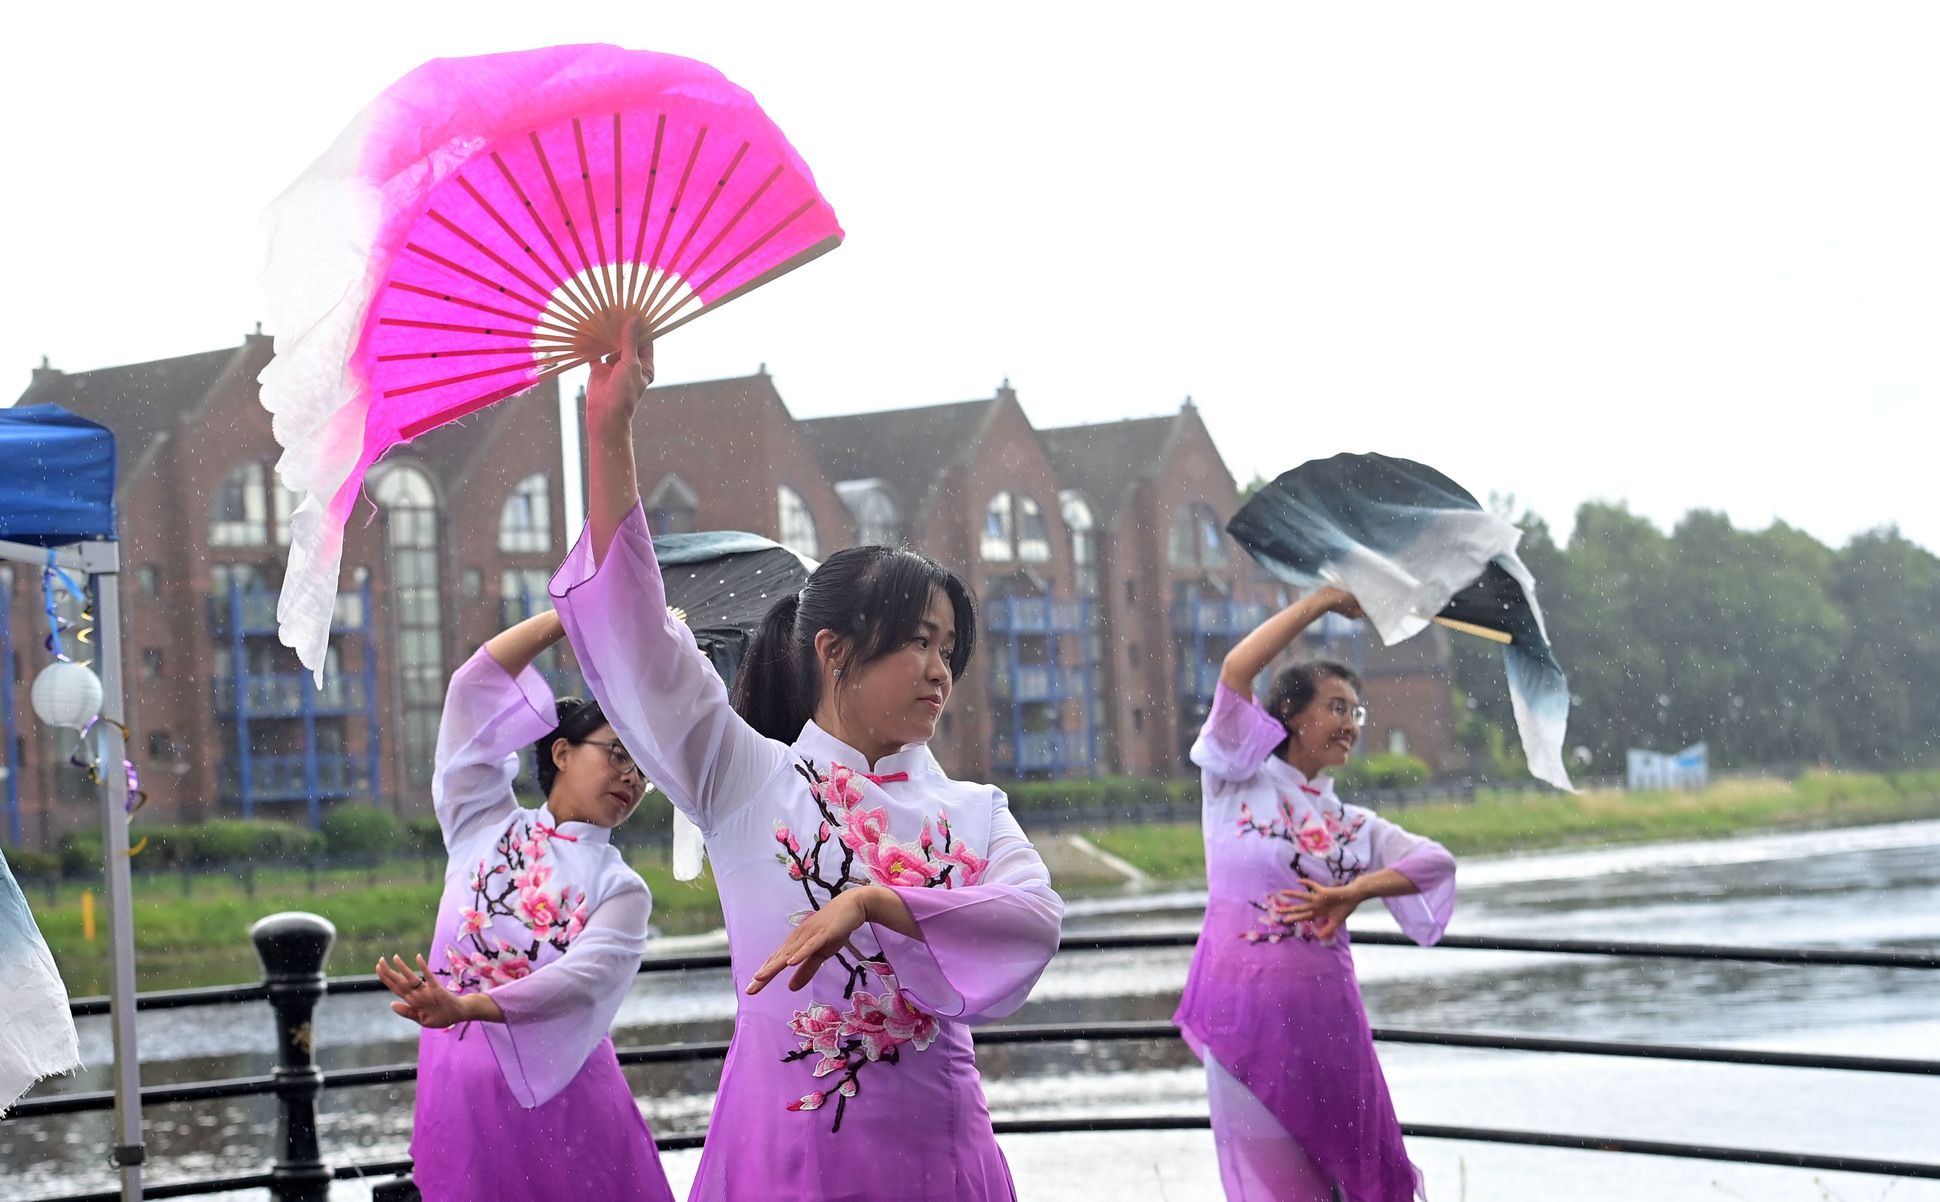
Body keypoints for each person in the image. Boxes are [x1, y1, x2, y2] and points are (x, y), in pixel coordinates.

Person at [548, 326, 1064, 1200]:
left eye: (950, 647)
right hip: (788, 1167)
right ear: (835, 651)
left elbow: (1033, 920)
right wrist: (610, 430)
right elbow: (637, 638)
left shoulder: (975, 812)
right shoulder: (745, 780)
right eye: (915, 643)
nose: (940, 669)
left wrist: (874, 901)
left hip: (943, 1160)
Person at [374, 609, 675, 1202]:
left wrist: (468, 1006)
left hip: (566, 1094)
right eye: (617, 754)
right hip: (458, 1089)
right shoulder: (480, 823)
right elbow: (471, 689)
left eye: (643, 769)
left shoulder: (621, 887)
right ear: (561, 753)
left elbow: (581, 982)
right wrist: (573, 614)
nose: (632, 778)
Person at [1173, 587, 1457, 1202]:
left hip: (1330, 1021)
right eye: (1336, 707)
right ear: (1291, 716)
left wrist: (1355, 891)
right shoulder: (1233, 780)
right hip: (1243, 1013)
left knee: (1364, 1177)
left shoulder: (1354, 824)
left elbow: (1435, 862)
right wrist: (1324, 601)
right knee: (1278, 1186)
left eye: (1357, 712)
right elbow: (1235, 670)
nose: (1351, 725)